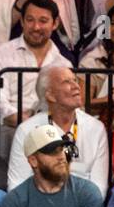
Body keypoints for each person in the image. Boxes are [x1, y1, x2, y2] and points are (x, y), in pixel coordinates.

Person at [0, 0, 71, 149]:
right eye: (30, 20)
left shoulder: (63, 65)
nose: (35, 27)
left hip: (44, 127)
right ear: (22, 21)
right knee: (21, 137)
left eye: (43, 21)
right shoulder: (0, 54)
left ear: (55, 24)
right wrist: (21, 120)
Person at [7, 66, 108, 198]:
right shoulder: (27, 130)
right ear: (50, 95)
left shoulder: (96, 128)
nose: (76, 86)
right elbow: (16, 185)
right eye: (67, 82)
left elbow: (99, 188)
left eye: (75, 80)